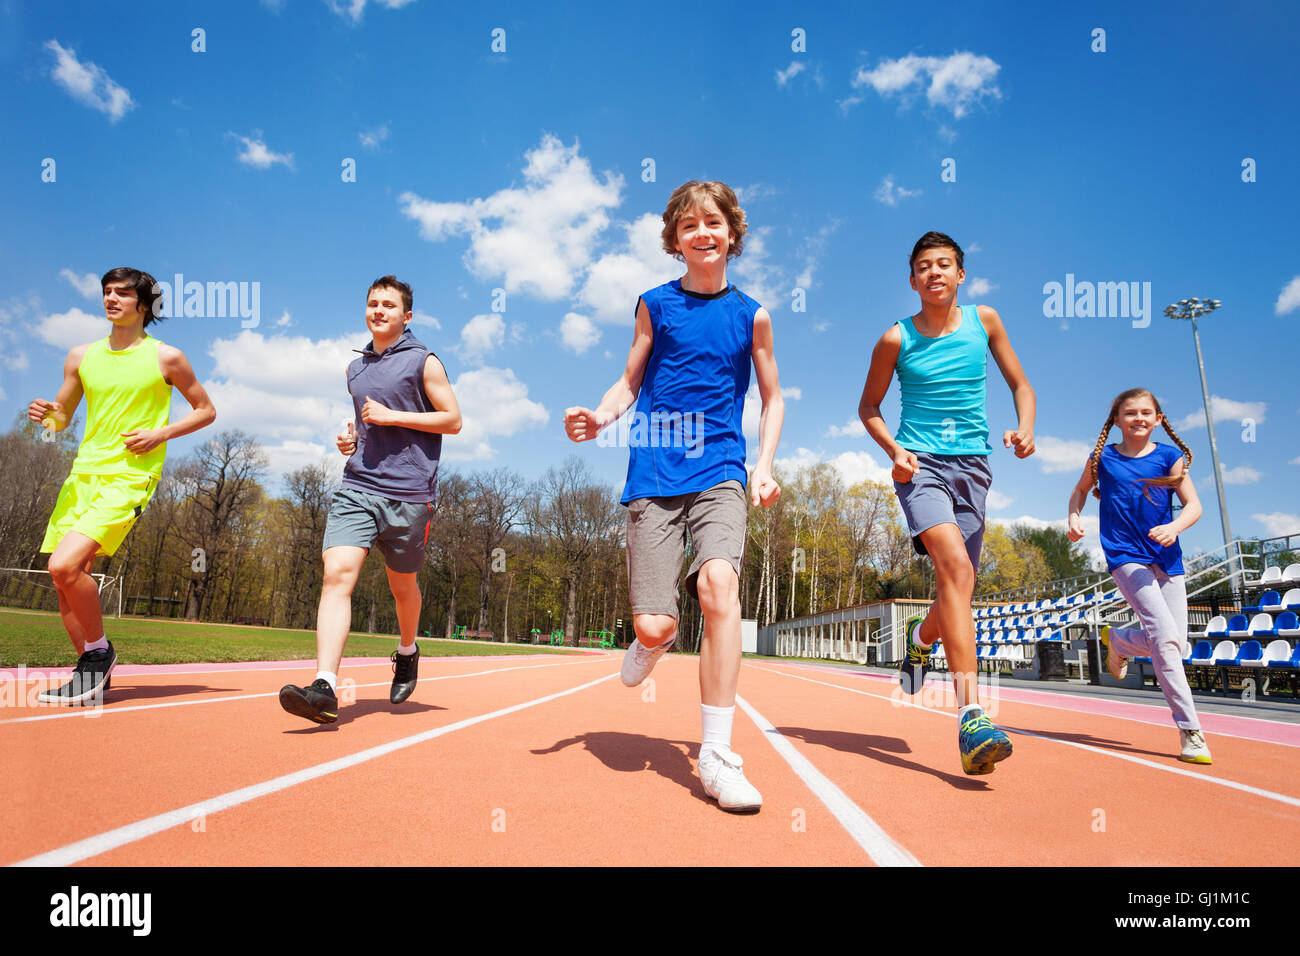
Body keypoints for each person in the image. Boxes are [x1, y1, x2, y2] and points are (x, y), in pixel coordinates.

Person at [564, 181, 784, 812]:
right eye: (689, 226)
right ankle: (653, 640)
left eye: (713, 223)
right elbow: (629, 380)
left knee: (720, 587)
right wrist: (601, 417)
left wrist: (763, 466)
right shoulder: (653, 305)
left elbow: (773, 398)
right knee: (656, 623)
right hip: (655, 473)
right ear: (676, 240)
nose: (702, 233)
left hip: (721, 468)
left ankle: (715, 755)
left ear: (732, 234)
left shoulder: (753, 314)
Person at [857, 231, 1035, 774]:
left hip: (974, 468)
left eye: (945, 265)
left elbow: (1020, 384)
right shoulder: (896, 338)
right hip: (922, 468)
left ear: (961, 275)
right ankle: (972, 717)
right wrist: (895, 450)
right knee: (954, 568)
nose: (935, 273)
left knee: (958, 588)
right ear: (913, 280)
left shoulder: (988, 321)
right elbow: (868, 407)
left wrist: (1025, 428)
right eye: (924, 267)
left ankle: (919, 638)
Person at [279, 276, 461, 724]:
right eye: (372, 304)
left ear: (407, 316)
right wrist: (350, 437)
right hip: (358, 486)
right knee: (336, 575)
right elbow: (364, 422)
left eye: (388, 305)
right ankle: (324, 686)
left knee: (403, 588)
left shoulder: (425, 361)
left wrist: (391, 415)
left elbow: (453, 420)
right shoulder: (355, 368)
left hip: (410, 495)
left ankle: (407, 649)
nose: (379, 310)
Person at [30, 267, 216, 704]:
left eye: (123, 294)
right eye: (107, 292)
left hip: (130, 476)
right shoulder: (81, 356)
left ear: (145, 304)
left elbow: (206, 410)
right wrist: (46, 417)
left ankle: (99, 653)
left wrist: (160, 434)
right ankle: (91, 674)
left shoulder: (166, 358)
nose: (111, 299)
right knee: (66, 583)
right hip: (83, 474)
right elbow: (62, 419)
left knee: (63, 565)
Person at [1066, 387, 1211, 763]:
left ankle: (1122, 642)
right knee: (1164, 638)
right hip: (1125, 556)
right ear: (1116, 420)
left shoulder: (1169, 457)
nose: (1139, 418)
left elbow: (1194, 505)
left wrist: (1175, 527)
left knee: (1175, 644)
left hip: (1167, 557)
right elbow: (1080, 491)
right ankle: (1191, 732)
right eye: (1130, 413)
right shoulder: (1104, 458)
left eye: (1147, 413)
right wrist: (1074, 517)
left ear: (1159, 419)